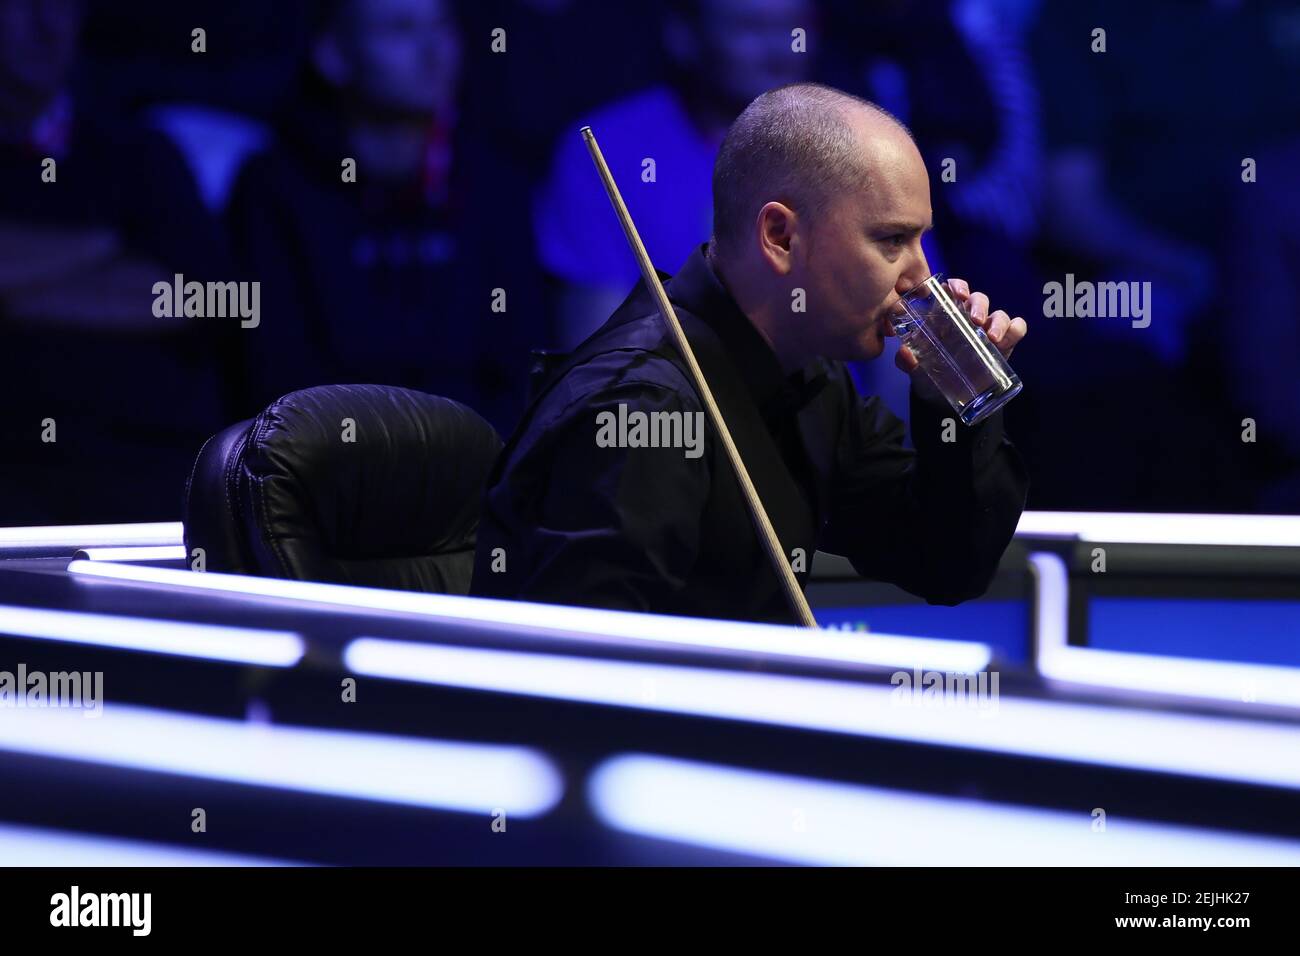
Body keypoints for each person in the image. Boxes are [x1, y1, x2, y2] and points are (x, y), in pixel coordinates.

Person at [472, 83, 1030, 625]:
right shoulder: (641, 411)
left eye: (920, 240)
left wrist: (952, 404)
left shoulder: (812, 375)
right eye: (891, 241)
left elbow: (947, 565)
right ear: (781, 237)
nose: (922, 275)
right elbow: (588, 690)